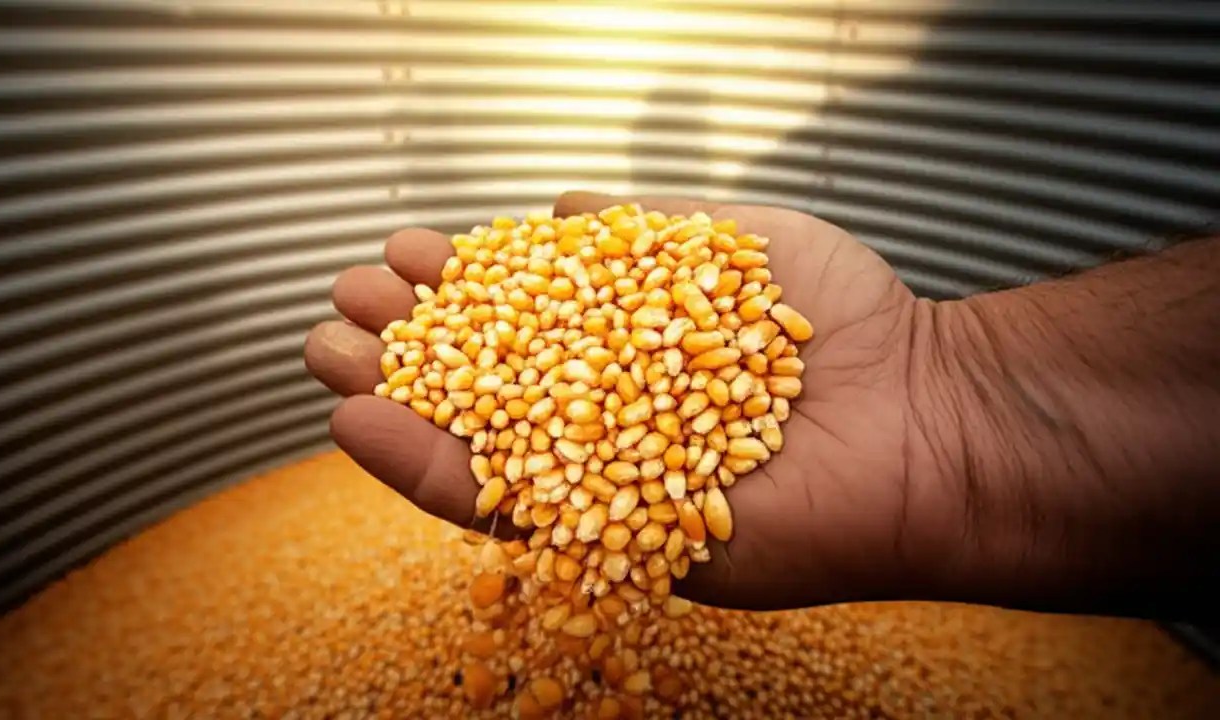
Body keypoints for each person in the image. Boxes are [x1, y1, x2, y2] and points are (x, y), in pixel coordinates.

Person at [304, 191, 1219, 620]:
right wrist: (958, 398)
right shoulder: (527, 352)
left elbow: (682, 409)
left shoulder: (723, 330)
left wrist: (948, 392)